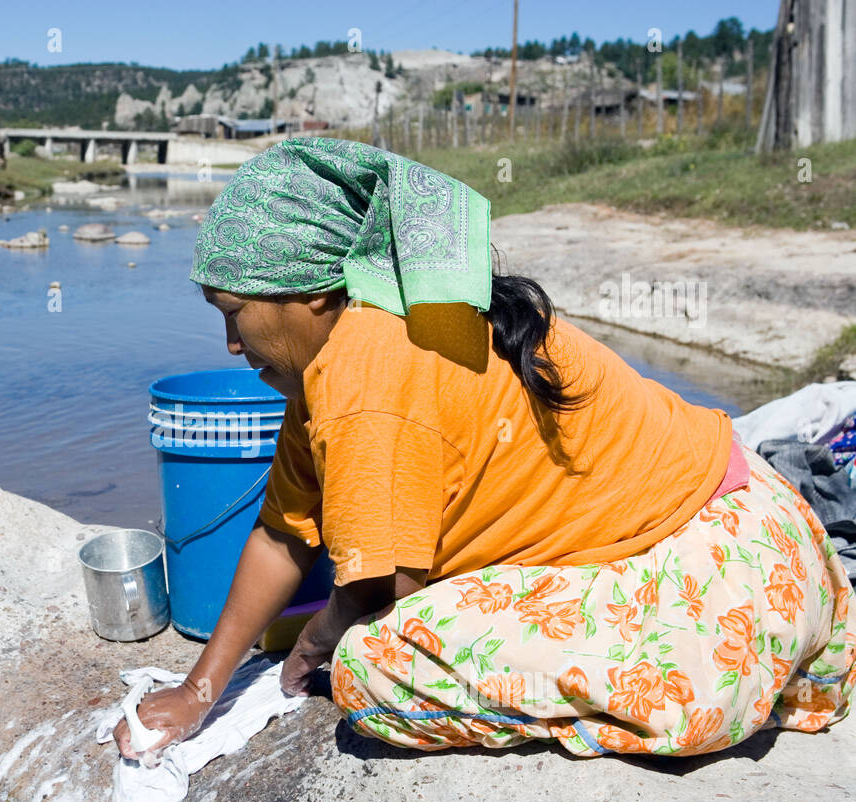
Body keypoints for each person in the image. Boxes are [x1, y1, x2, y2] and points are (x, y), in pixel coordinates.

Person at [113, 137, 855, 760]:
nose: (232, 343)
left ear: (310, 292)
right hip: (763, 520)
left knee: (373, 665)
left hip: (720, 584)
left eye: (235, 313)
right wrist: (199, 688)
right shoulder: (364, 329)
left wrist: (310, 650)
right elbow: (282, 534)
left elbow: (378, 593)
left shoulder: (366, 363)